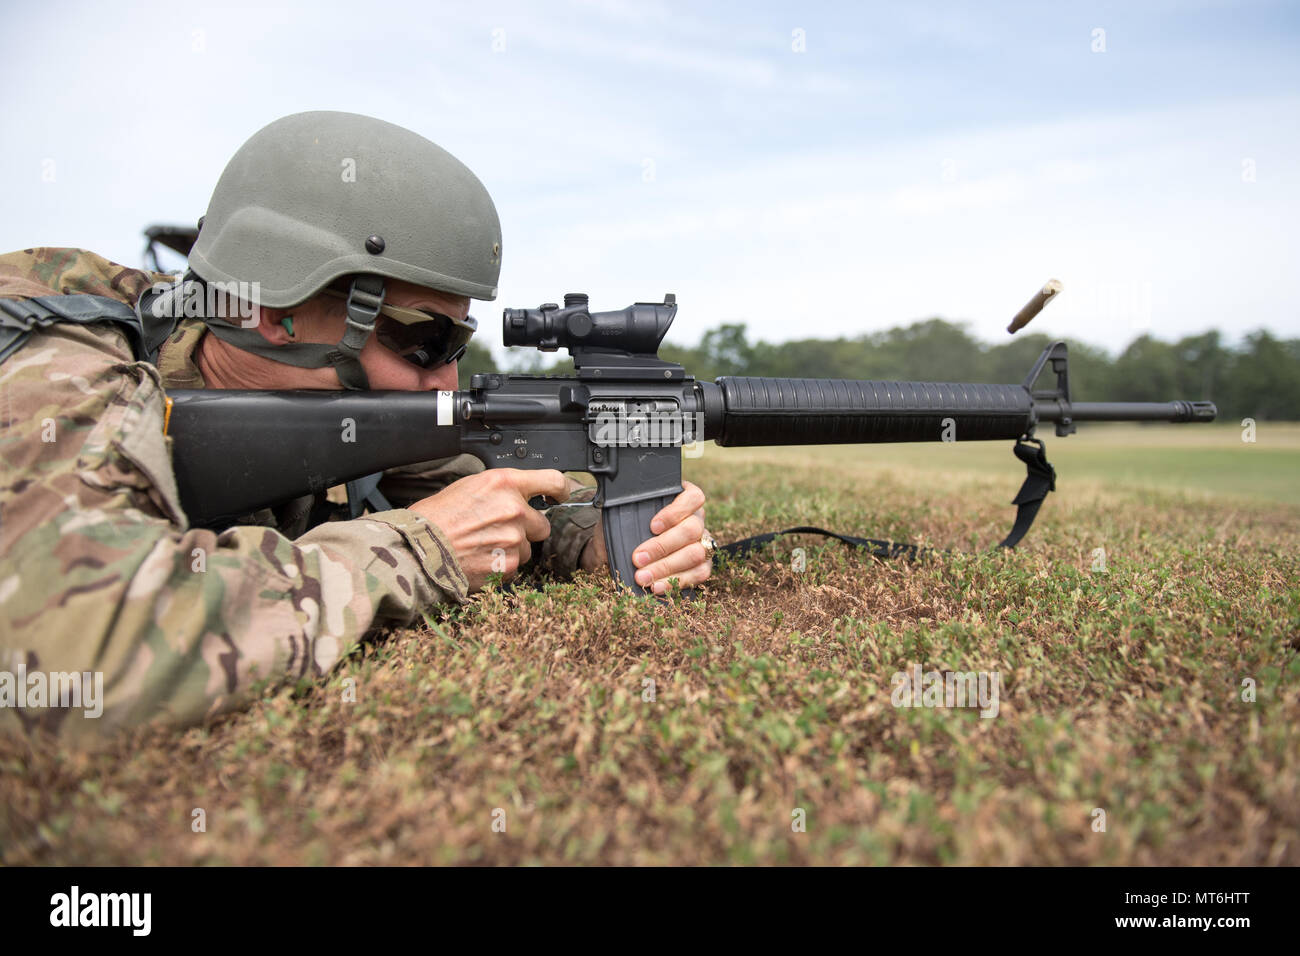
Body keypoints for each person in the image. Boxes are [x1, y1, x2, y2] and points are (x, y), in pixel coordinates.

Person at [0, 111, 713, 739]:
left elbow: (451, 492)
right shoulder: (59, 358)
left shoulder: (321, 399)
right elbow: (75, 654)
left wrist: (594, 541)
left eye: (457, 348)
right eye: (423, 342)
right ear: (280, 313)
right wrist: (413, 552)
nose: (445, 381)